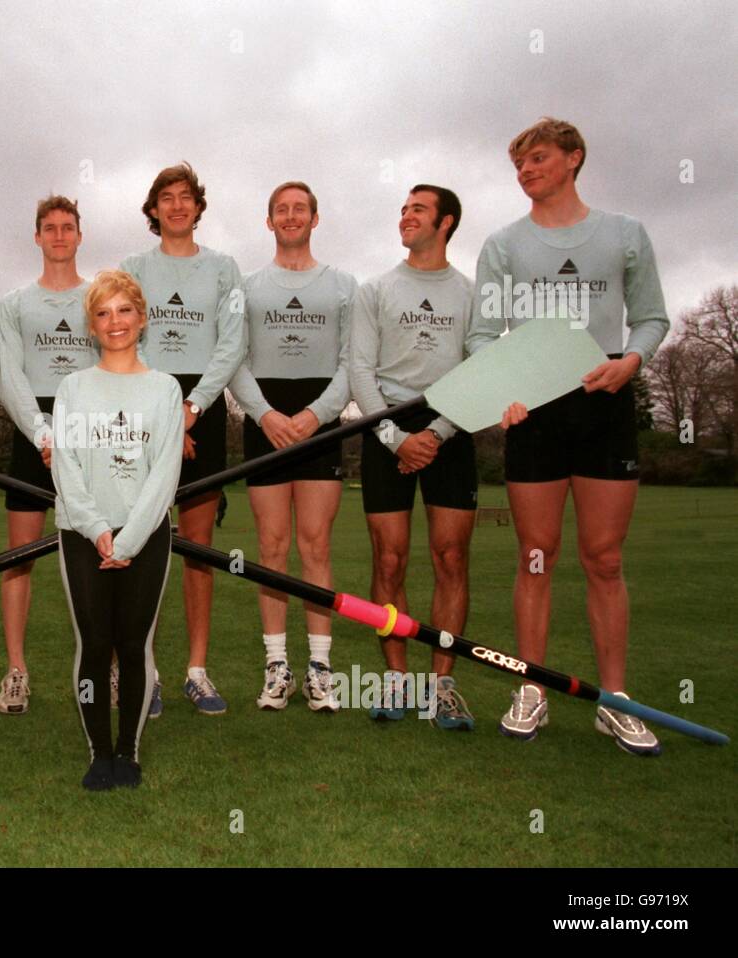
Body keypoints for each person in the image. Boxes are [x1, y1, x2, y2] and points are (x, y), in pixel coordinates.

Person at [469, 118, 670, 755]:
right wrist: (504, 389)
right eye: (519, 164)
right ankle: (531, 686)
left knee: (604, 560)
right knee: (536, 555)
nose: (526, 171)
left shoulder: (624, 233)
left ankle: (615, 700)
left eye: (538, 158)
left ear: (573, 158)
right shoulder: (503, 244)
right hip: (535, 411)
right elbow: (481, 333)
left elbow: (652, 317)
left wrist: (631, 362)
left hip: (604, 403)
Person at [348, 185, 478, 730]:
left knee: (450, 559)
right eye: (402, 208)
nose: (405, 216)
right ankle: (397, 681)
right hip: (387, 431)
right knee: (389, 561)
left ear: (445, 222)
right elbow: (360, 371)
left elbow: (481, 371)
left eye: (417, 210)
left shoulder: (470, 292)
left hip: (451, 430)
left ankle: (442, 686)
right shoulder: (374, 289)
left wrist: (439, 434)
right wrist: (396, 438)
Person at [122, 162, 246, 717]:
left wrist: (193, 407)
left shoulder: (224, 269)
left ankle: (197, 670)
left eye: (186, 197)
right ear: (153, 210)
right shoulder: (131, 267)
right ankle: (141, 672)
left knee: (196, 549)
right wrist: (165, 413)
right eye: (166, 198)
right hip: (143, 407)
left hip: (204, 408)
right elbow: (123, 335)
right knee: (137, 546)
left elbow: (231, 343)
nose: (176, 206)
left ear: (198, 207)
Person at [52, 270, 183, 790]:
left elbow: (164, 472)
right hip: (83, 534)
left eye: (124, 310)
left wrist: (129, 538)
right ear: (91, 325)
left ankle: (128, 751)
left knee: (134, 646)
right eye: (103, 313)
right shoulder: (73, 387)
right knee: (94, 643)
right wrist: (95, 527)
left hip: (145, 535)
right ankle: (98, 753)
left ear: (142, 317)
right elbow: (65, 465)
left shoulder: (165, 389)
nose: (115, 322)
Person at [229, 181, 356, 712]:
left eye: (299, 208)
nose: (290, 216)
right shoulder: (249, 286)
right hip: (267, 418)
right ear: (269, 221)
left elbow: (353, 363)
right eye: (280, 209)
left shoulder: (343, 285)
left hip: (319, 419)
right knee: (273, 548)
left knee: (316, 547)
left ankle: (320, 669)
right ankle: (277, 667)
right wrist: (266, 415)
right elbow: (234, 359)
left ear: (315, 218)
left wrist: (314, 416)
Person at [0, 196, 93, 714]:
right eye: (49, 228)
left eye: (67, 227)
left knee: (103, 556)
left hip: (91, 436)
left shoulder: (100, 297)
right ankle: (16, 671)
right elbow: (9, 376)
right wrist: (43, 434)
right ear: (36, 236)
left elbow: (113, 370)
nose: (58, 235)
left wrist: (75, 435)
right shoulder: (12, 305)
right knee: (19, 559)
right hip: (33, 437)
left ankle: (108, 669)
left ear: (80, 235)